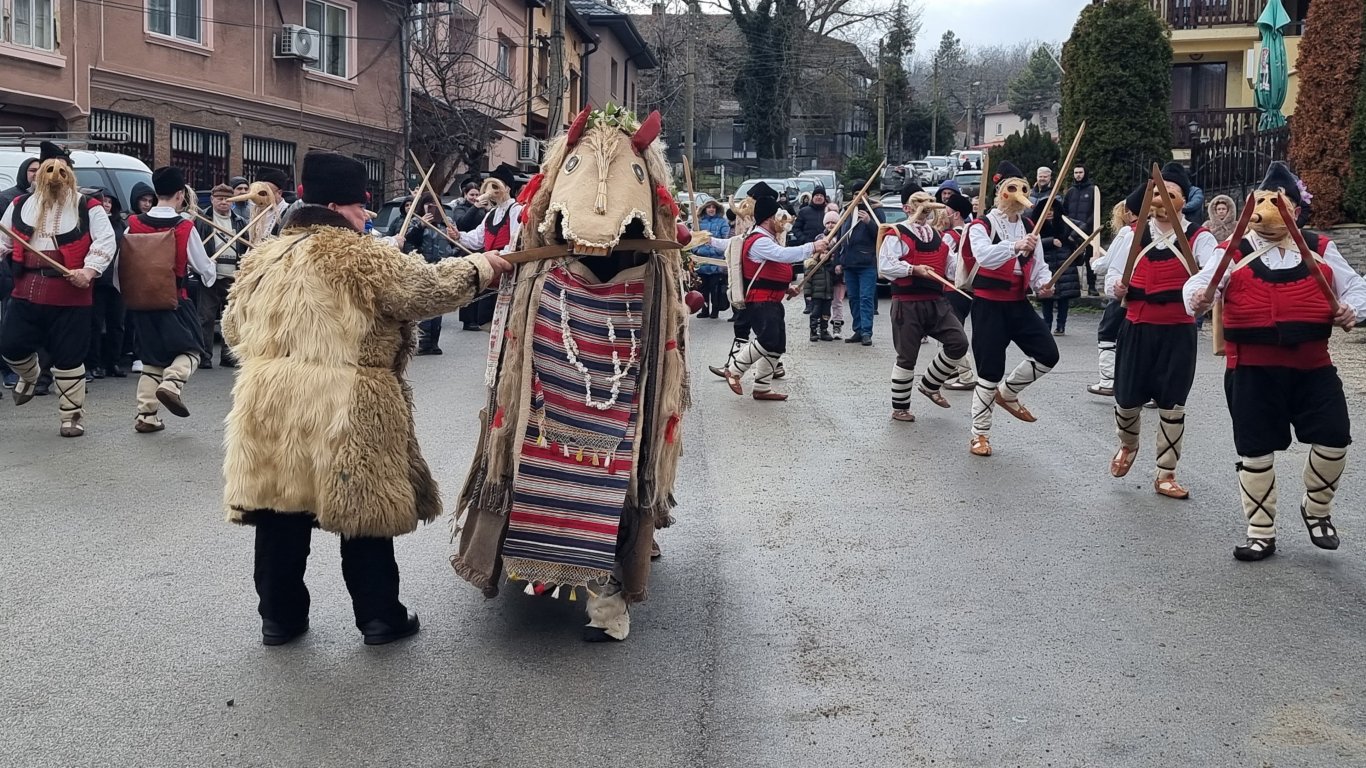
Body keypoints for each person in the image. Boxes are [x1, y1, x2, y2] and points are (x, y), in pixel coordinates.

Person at [223, 151, 511, 647]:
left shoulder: (262, 257)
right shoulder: (356, 253)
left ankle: (280, 620)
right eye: (360, 207)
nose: (366, 216)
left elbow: (231, 326)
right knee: (363, 510)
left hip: (266, 400)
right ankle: (380, 618)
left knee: (280, 514)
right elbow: (425, 288)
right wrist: (482, 267)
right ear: (337, 205)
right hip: (346, 398)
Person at [1184, 162, 1366, 561]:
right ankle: (1260, 531)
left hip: (1313, 364)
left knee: (1335, 438)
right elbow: (1200, 282)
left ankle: (1316, 509)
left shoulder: (1319, 248)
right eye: (1261, 202)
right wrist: (1199, 297)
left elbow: (1355, 285)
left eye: (1276, 203)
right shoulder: (1233, 249)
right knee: (1255, 449)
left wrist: (1351, 308)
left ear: (1294, 210)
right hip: (1251, 366)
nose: (1267, 211)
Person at [1106, 165, 1218, 499]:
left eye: (1171, 193)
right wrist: (1116, 285)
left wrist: (1205, 294)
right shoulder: (1132, 234)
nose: (1162, 198)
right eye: (1157, 192)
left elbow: (1212, 271)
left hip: (1177, 330)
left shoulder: (1200, 237)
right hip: (1137, 325)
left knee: (1172, 404)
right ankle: (1128, 445)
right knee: (1126, 400)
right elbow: (1112, 273)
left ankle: (1166, 471)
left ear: (1184, 200)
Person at [0, 141, 116, 437]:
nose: (53, 175)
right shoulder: (19, 205)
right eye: (46, 169)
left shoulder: (88, 207)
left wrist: (89, 270)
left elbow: (105, 242)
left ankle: (71, 416)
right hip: (27, 288)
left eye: (59, 170)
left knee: (69, 357)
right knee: (10, 345)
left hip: (71, 292)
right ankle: (29, 374)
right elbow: (4, 241)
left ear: (69, 173)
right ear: (37, 174)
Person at [958, 160, 1057, 457]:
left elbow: (1038, 264)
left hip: (1018, 302)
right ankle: (980, 435)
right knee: (988, 373)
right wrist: (1015, 246)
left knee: (1048, 354)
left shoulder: (1030, 226)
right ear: (1000, 192)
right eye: (1011, 189)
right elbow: (985, 257)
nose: (1018, 194)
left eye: (1023, 189)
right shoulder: (981, 226)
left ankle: (1009, 392)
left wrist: (1044, 283)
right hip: (988, 304)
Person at [710, 181, 828, 400]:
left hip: (772, 299)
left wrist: (786, 288)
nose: (782, 221)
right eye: (778, 216)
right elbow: (783, 256)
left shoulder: (766, 238)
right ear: (769, 218)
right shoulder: (759, 241)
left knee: (777, 344)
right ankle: (734, 369)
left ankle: (762, 387)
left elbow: (773, 269)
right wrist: (812, 247)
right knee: (767, 340)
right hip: (761, 300)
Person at [123, 167, 216, 434]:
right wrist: (210, 269)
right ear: (180, 194)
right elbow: (204, 270)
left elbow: (123, 265)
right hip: (175, 300)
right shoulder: (184, 226)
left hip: (142, 303)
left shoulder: (133, 223)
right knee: (192, 351)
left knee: (152, 359)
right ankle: (172, 383)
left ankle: (146, 415)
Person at [877, 183, 971, 423]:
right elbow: (885, 266)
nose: (925, 209)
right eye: (920, 204)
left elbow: (951, 266)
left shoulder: (938, 234)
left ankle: (930, 384)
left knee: (958, 342)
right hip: (907, 303)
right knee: (907, 357)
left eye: (928, 204)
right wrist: (913, 269)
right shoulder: (897, 232)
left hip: (936, 301)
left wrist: (971, 264)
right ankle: (900, 407)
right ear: (907, 208)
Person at [454, 163, 523, 333]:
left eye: (495, 185)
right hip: (492, 271)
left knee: (508, 324)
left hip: (508, 271)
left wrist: (495, 258)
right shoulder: (491, 213)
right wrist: (459, 236)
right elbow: (478, 239)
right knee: (488, 323)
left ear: (506, 187)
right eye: (490, 185)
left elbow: (515, 244)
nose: (491, 190)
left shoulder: (516, 210)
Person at [193, 184, 246, 368]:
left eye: (227, 199)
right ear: (213, 200)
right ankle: (205, 356)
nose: (223, 202)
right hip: (210, 275)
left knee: (231, 317)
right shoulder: (202, 220)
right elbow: (196, 246)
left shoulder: (240, 222)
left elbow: (245, 248)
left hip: (233, 277)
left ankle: (228, 356)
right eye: (219, 199)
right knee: (205, 317)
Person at [1088, 200, 1135, 397]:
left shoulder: (1127, 232)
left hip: (1123, 292)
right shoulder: (1155, 231)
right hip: (1144, 293)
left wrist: (1094, 261)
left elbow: (1107, 264)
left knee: (1108, 333)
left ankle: (1108, 381)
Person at [404, 193, 461, 354]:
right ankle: (423, 342)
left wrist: (453, 248)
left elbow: (458, 243)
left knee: (439, 304)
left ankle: (434, 342)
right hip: (423, 268)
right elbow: (408, 241)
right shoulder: (416, 221)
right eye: (428, 205)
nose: (432, 209)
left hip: (443, 267)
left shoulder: (447, 223)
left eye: (435, 205)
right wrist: (420, 226)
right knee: (424, 304)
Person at [85, 188, 127, 380]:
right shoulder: (89, 222)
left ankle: (114, 362)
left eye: (109, 201)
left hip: (118, 281)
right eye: (103, 201)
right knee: (94, 323)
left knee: (117, 324)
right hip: (97, 280)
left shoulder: (121, 225)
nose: (106, 204)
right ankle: (94, 364)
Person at [938, 190, 978, 391]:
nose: (943, 213)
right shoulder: (974, 232)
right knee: (954, 330)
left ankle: (967, 374)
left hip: (952, 287)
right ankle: (952, 371)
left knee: (953, 333)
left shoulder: (950, 237)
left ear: (955, 214)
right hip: (968, 289)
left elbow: (943, 264)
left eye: (946, 209)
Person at [834, 182, 878, 346]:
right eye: (856, 193)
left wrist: (869, 222)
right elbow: (840, 239)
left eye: (863, 193)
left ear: (867, 195)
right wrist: (838, 261)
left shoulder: (874, 212)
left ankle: (867, 332)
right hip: (849, 264)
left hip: (867, 263)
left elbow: (881, 234)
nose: (859, 196)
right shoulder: (846, 213)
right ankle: (858, 330)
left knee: (866, 298)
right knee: (853, 298)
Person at [1035, 199, 1079, 335]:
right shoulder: (1036, 225)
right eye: (1046, 210)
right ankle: (1046, 325)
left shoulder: (1064, 222)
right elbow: (1032, 241)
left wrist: (1071, 238)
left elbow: (1082, 226)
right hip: (1046, 261)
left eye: (1052, 210)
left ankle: (1061, 325)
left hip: (1063, 261)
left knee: (1063, 298)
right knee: (1046, 296)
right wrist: (1050, 241)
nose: (1049, 213)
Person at [1060, 164, 1099, 294]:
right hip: (1071, 232)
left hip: (1088, 232)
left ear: (1085, 173)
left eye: (1080, 172)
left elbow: (1096, 210)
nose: (1078, 175)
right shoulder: (1070, 191)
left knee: (1089, 259)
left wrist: (1087, 226)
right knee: (1070, 259)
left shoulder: (1093, 190)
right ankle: (1072, 288)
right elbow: (1064, 211)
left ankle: (1092, 287)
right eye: (1076, 172)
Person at [803, 210, 840, 341]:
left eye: (827, 252)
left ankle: (824, 330)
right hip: (816, 294)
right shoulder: (812, 264)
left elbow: (834, 279)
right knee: (815, 313)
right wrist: (807, 293)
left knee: (826, 313)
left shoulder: (829, 267)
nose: (824, 254)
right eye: (822, 252)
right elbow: (807, 279)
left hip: (827, 294)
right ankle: (814, 330)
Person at [694, 200, 730, 318]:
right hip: (702, 261)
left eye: (713, 207)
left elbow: (726, 240)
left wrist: (716, 251)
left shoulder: (722, 222)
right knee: (703, 288)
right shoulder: (698, 222)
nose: (711, 209)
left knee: (715, 288)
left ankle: (715, 310)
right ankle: (704, 310)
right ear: (705, 209)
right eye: (709, 207)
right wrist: (697, 251)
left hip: (716, 262)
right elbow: (693, 239)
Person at [1174, 162, 1205, 227]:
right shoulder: (1176, 189)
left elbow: (1195, 203)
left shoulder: (1195, 191)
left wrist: (1177, 207)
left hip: (1192, 224)